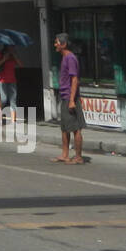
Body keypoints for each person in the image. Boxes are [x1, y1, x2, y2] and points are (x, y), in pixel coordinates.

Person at [54, 33, 85, 163]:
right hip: (65, 96)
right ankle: (65, 154)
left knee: (75, 128)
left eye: (57, 42)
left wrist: (72, 100)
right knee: (65, 127)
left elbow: (74, 79)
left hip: (70, 97)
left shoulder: (70, 58)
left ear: (64, 44)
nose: (55, 44)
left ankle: (78, 157)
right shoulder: (65, 58)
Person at [0, 43, 19, 123]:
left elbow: (20, 64)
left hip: (12, 80)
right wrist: (4, 59)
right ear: (6, 46)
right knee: (3, 100)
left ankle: (13, 121)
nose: (13, 48)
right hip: (2, 80)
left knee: (13, 101)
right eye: (11, 46)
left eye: (13, 46)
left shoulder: (13, 55)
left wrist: (14, 56)